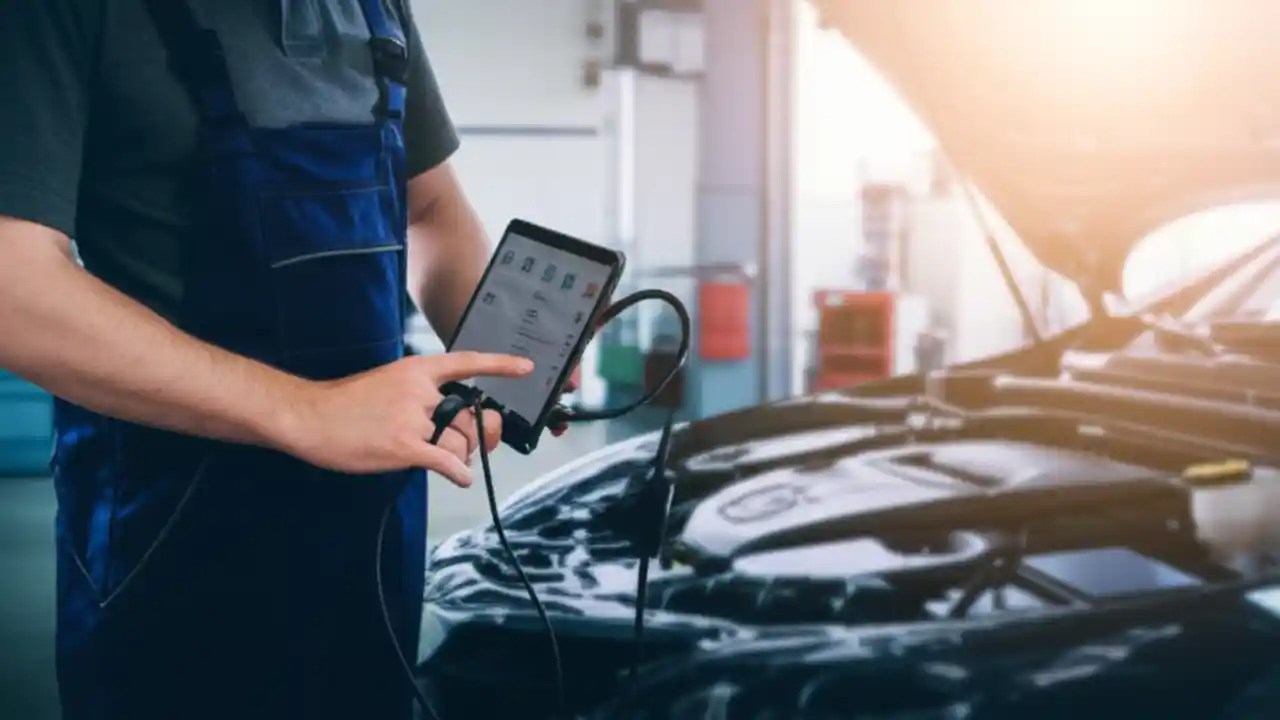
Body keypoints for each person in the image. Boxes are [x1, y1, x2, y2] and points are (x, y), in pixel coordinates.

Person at [0, 1, 539, 718]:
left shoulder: (378, 8)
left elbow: (431, 207)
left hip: (371, 529)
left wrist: (505, 350)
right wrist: (307, 411)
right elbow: (12, 284)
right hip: (172, 534)